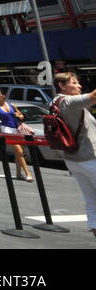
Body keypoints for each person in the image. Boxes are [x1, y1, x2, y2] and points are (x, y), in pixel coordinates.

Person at [53, 71, 96, 237]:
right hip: (89, 159)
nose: (79, 86)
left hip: (73, 159)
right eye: (74, 83)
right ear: (62, 86)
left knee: (92, 201)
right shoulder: (69, 102)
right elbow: (93, 96)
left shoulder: (55, 101)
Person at [0, 88, 34, 182]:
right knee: (19, 150)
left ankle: (18, 173)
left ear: (3, 95)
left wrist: (18, 115)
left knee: (19, 152)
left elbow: (21, 116)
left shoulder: (12, 105)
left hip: (16, 129)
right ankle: (28, 173)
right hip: (6, 129)